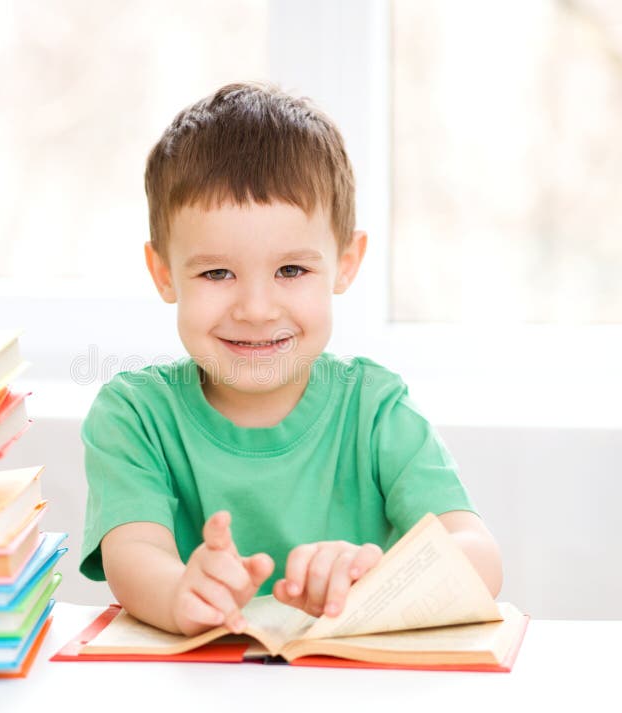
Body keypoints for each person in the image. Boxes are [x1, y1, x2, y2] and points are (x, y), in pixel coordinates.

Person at [79, 81, 503, 638]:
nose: (256, 309)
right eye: (216, 273)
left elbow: (481, 558)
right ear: (164, 274)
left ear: (346, 263)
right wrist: (178, 593)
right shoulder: (134, 416)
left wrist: (374, 574)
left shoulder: (376, 408)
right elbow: (133, 555)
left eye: (291, 271)